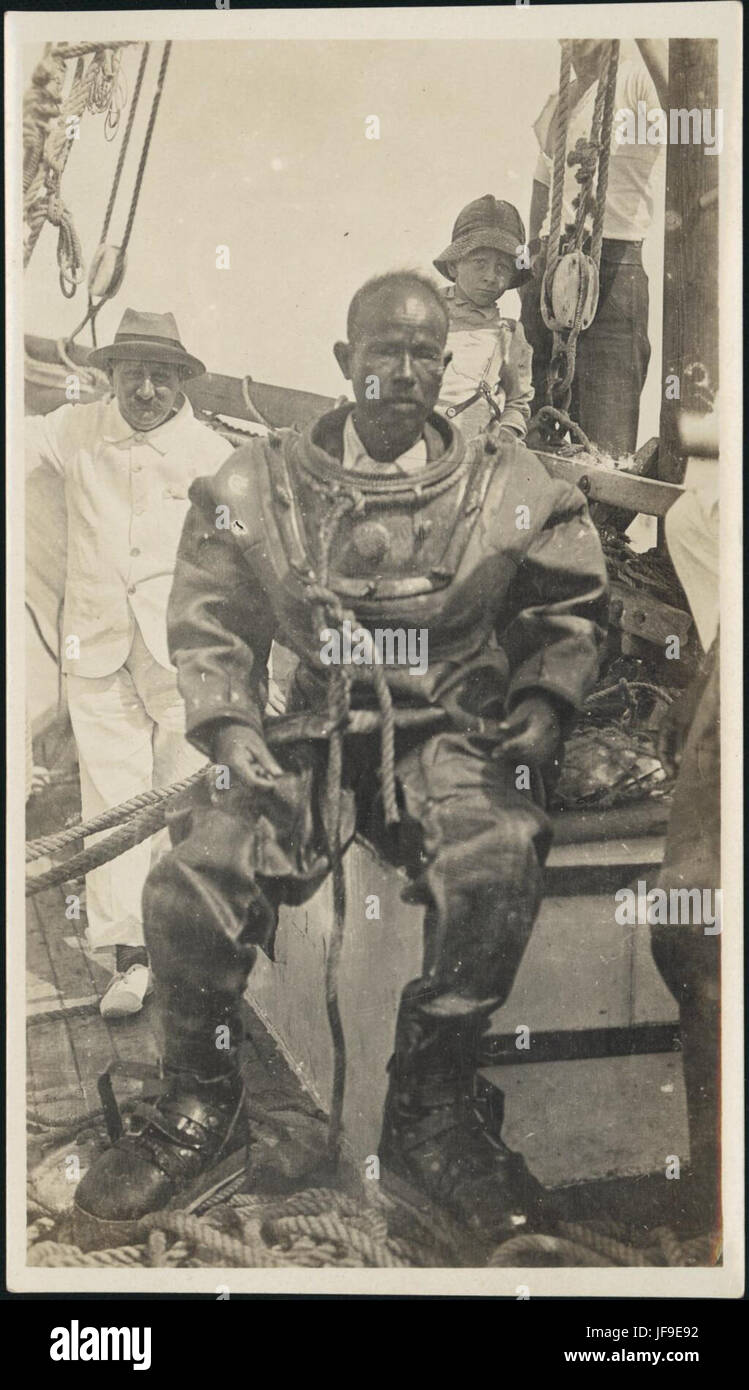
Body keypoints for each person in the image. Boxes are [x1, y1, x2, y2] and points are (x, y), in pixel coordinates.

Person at [74, 272, 608, 1246]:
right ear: (343, 362)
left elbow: (564, 602)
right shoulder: (266, 482)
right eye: (381, 353)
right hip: (310, 728)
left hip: (448, 725)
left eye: (420, 355)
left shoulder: (503, 481)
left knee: (493, 857)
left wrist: (540, 701)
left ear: (444, 369)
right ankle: (197, 1098)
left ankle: (432, 1110)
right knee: (192, 882)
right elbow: (208, 615)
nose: (401, 372)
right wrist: (229, 725)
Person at [25, 310, 234, 1018]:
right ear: (109, 375)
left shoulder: (210, 453)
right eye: (134, 373)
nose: (147, 389)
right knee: (112, 800)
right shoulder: (72, 429)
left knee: (180, 795)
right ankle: (128, 958)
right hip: (97, 642)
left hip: (178, 653)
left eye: (163, 375)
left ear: (181, 382)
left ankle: (181, 949)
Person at [520, 40, 667, 456]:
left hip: (615, 266)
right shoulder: (560, 102)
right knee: (535, 425)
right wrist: (533, 250)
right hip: (552, 266)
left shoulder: (638, 79)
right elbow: (544, 176)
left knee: (605, 442)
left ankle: (602, 523)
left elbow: (691, 116)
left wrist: (642, 26)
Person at [433, 195, 534, 442]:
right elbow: (374, 375)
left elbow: (517, 404)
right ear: (454, 266)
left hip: (474, 455)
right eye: (480, 263)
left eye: (502, 268)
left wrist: (507, 434)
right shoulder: (420, 313)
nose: (490, 276)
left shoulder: (509, 336)